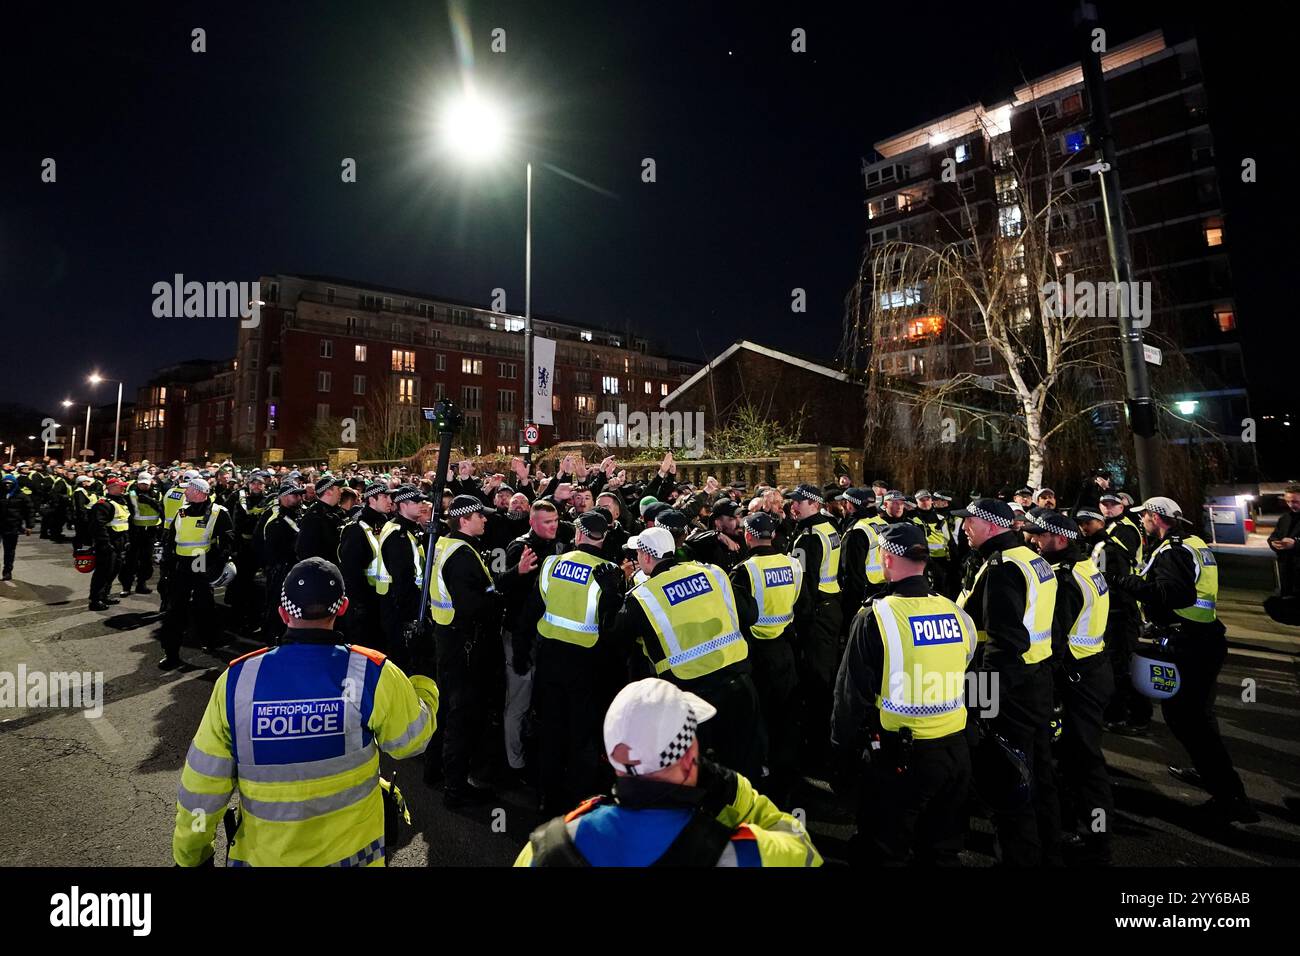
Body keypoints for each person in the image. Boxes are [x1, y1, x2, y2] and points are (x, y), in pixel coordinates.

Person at [171, 557, 440, 866]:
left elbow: (203, 785)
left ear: (283, 613)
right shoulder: (371, 672)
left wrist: (191, 856)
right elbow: (410, 741)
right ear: (342, 607)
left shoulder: (237, 681)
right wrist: (421, 677)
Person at [515, 678, 821, 867]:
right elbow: (803, 851)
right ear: (689, 757)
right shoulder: (742, 854)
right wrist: (738, 794)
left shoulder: (545, 848)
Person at [832, 522, 976, 865]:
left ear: (887, 558)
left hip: (901, 757)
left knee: (883, 849)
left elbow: (851, 696)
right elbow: (970, 671)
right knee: (941, 850)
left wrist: (841, 756)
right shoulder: (955, 611)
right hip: (955, 750)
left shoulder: (875, 616)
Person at [1106, 497, 1257, 824]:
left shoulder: (1172, 551)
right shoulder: (1193, 543)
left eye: (1144, 516)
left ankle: (1230, 797)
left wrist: (1123, 581)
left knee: (1186, 719)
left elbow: (1174, 595)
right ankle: (1211, 774)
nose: (1142, 522)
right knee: (1199, 716)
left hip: (1190, 642)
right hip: (1204, 637)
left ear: (1155, 517)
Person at [952, 498, 1060, 866]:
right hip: (1036, 680)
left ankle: (1019, 857)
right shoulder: (1032, 559)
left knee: (1005, 781)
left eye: (970, 521)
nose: (964, 527)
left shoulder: (1002, 567)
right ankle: (1048, 850)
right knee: (1039, 776)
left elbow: (1004, 644)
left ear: (992, 526)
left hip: (1007, 689)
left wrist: (982, 700)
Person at [611, 526, 763, 782]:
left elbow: (616, 638)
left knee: (695, 771)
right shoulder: (712, 573)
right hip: (738, 683)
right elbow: (750, 613)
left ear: (646, 557)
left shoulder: (644, 596)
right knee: (744, 766)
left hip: (690, 697)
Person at [516, 510, 625, 812]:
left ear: (577, 534)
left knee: (550, 732)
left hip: (549, 660)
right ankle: (580, 805)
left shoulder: (553, 564)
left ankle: (546, 800)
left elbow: (531, 610)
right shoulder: (610, 571)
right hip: (587, 666)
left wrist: (521, 652)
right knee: (582, 737)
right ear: (603, 538)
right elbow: (614, 627)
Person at [1024, 511, 1114, 864]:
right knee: (1082, 759)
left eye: (1040, 536)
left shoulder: (1064, 578)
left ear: (1060, 540)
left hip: (1079, 678)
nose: (1033, 540)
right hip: (1094, 670)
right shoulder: (1085, 567)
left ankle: (1097, 840)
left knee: (1085, 762)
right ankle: (1090, 830)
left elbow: (1056, 638)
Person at [428, 493, 507, 807]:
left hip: (448, 640)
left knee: (446, 710)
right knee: (462, 717)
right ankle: (456, 789)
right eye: (480, 516)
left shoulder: (444, 545)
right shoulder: (462, 554)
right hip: (464, 646)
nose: (485, 519)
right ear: (464, 519)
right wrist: (500, 596)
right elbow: (475, 605)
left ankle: (434, 772)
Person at [730, 511, 803, 805]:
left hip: (756, 651)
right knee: (786, 716)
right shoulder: (792, 564)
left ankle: (763, 777)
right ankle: (788, 775)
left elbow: (739, 614)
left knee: (759, 717)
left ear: (748, 535)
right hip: (785, 646)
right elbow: (800, 598)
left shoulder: (744, 571)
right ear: (772, 535)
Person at [494, 499, 559, 788]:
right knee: (518, 702)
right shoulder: (518, 548)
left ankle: (530, 756)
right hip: (519, 636)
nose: (554, 527)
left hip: (545, 637)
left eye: (556, 521)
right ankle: (513, 763)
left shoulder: (560, 544)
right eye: (547, 522)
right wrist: (517, 572)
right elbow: (500, 587)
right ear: (532, 522)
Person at [788, 483, 843, 771]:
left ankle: (820, 751)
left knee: (817, 684)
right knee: (828, 676)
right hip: (832, 606)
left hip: (816, 613)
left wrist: (801, 622)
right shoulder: (829, 528)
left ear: (814, 504)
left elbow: (803, 583)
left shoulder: (808, 537)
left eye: (799, 502)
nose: (793, 507)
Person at [159, 477, 236, 668]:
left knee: (204, 604)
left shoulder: (218, 512)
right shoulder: (182, 510)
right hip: (181, 563)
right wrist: (167, 564)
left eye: (189, 490)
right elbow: (171, 539)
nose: (185, 492)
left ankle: (210, 640)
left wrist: (216, 564)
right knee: (175, 609)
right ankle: (171, 653)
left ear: (199, 493)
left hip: (200, 561)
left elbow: (228, 542)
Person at [336, 482, 394, 648]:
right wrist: (360, 603)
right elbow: (350, 571)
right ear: (372, 500)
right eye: (385, 496)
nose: (390, 501)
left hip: (383, 600)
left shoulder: (386, 524)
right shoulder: (356, 529)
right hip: (364, 604)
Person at [259, 481, 306, 642]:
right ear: (283, 497)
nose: (300, 498)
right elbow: (263, 545)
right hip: (280, 569)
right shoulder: (275, 519)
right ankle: (272, 638)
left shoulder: (298, 513)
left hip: (293, 568)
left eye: (300, 494)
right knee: (277, 605)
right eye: (295, 495)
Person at [227, 471, 272, 635]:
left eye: (259, 483)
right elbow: (236, 523)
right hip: (244, 547)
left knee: (258, 586)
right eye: (253, 483)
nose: (256, 486)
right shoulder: (241, 499)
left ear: (264, 485)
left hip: (260, 548)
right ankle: (238, 617)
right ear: (248, 484)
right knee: (242, 583)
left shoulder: (268, 501)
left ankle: (254, 618)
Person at [87, 478, 132, 611]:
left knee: (113, 571)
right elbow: (98, 526)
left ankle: (104, 595)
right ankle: (95, 600)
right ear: (111, 487)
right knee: (103, 572)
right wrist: (105, 544)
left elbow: (124, 524)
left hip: (119, 542)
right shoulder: (103, 504)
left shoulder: (121, 502)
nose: (123, 489)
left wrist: (126, 541)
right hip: (109, 543)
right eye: (120, 487)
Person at [120, 474, 163, 596]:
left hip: (151, 530)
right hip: (135, 530)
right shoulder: (131, 494)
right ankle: (126, 586)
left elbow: (161, 508)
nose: (144, 485)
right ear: (137, 483)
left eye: (146, 483)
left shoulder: (157, 493)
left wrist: (150, 501)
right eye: (141, 483)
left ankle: (141, 584)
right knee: (130, 560)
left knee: (146, 560)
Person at [296, 475, 347, 564]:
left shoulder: (337, 512)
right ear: (328, 492)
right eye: (338, 489)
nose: (341, 491)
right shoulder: (313, 516)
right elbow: (304, 550)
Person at [1267, 484, 1300, 598]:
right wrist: (1274, 543)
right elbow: (1273, 536)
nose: (1291, 505)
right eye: (1288, 501)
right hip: (1286, 572)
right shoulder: (1284, 518)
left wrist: (1295, 544)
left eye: (1295, 501)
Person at [1, 474, 35, 580]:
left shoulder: (22, 496)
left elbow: (29, 511)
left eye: (9, 484)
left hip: (12, 526)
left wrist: (29, 526)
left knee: (9, 551)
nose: (7, 486)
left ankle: (7, 571)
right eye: (5, 484)